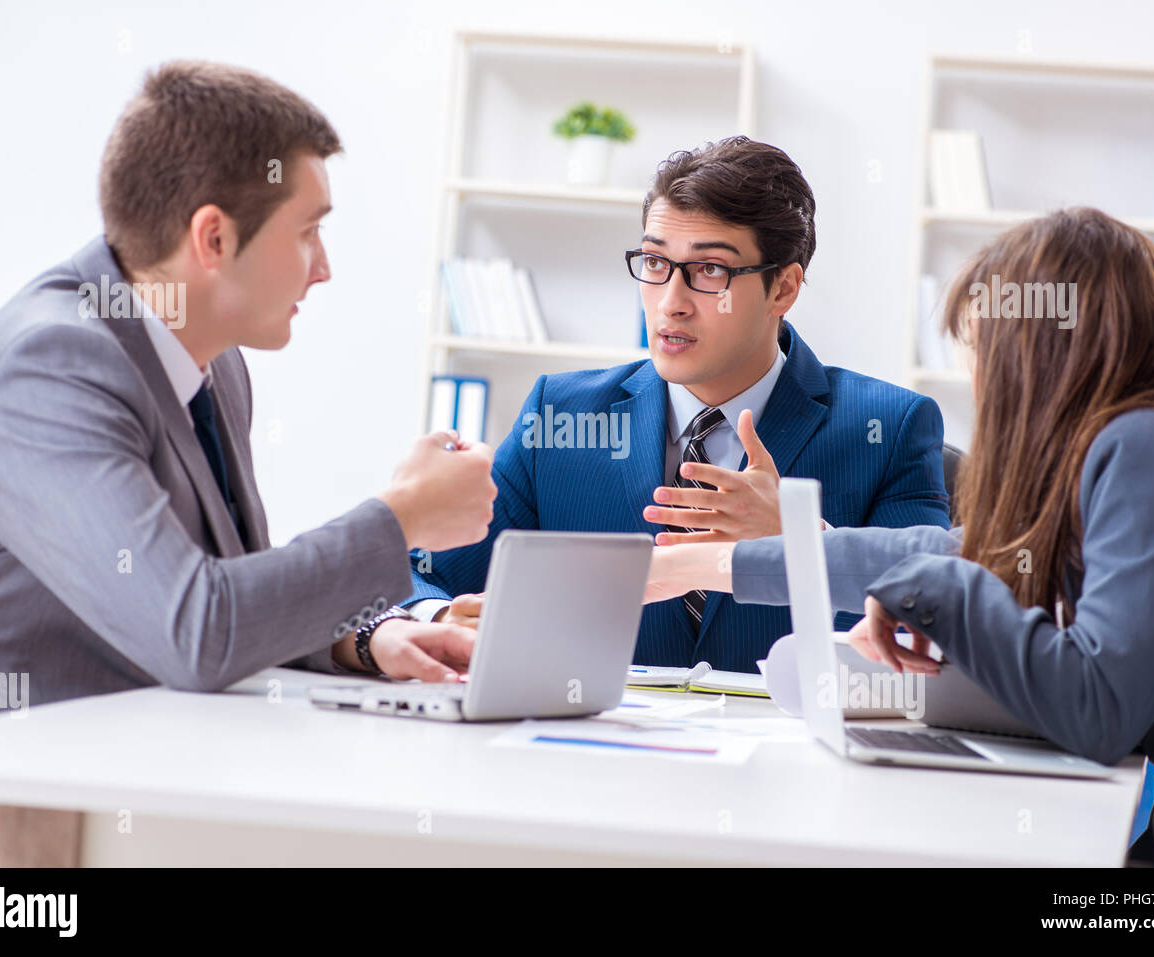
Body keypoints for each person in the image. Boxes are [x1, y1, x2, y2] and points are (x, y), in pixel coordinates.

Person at [645, 207, 1154, 867]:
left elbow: (1098, 707)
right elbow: (941, 554)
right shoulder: (1147, 442)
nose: (983, 384)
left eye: (985, 353)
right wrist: (708, 563)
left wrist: (936, 589)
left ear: (1048, 352)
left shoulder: (1151, 447)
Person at [0, 60, 499, 721]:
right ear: (214, 238)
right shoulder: (51, 367)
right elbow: (196, 630)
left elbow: (231, 594)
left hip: (127, 762)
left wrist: (363, 638)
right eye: (309, 230)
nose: (325, 268)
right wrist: (401, 518)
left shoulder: (212, 362)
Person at [401, 137, 949, 673]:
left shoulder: (891, 427)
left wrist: (804, 545)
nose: (671, 303)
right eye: (655, 262)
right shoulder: (561, 413)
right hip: (592, 743)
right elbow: (419, 573)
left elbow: (929, 630)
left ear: (782, 289)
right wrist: (446, 617)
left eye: (710, 270)